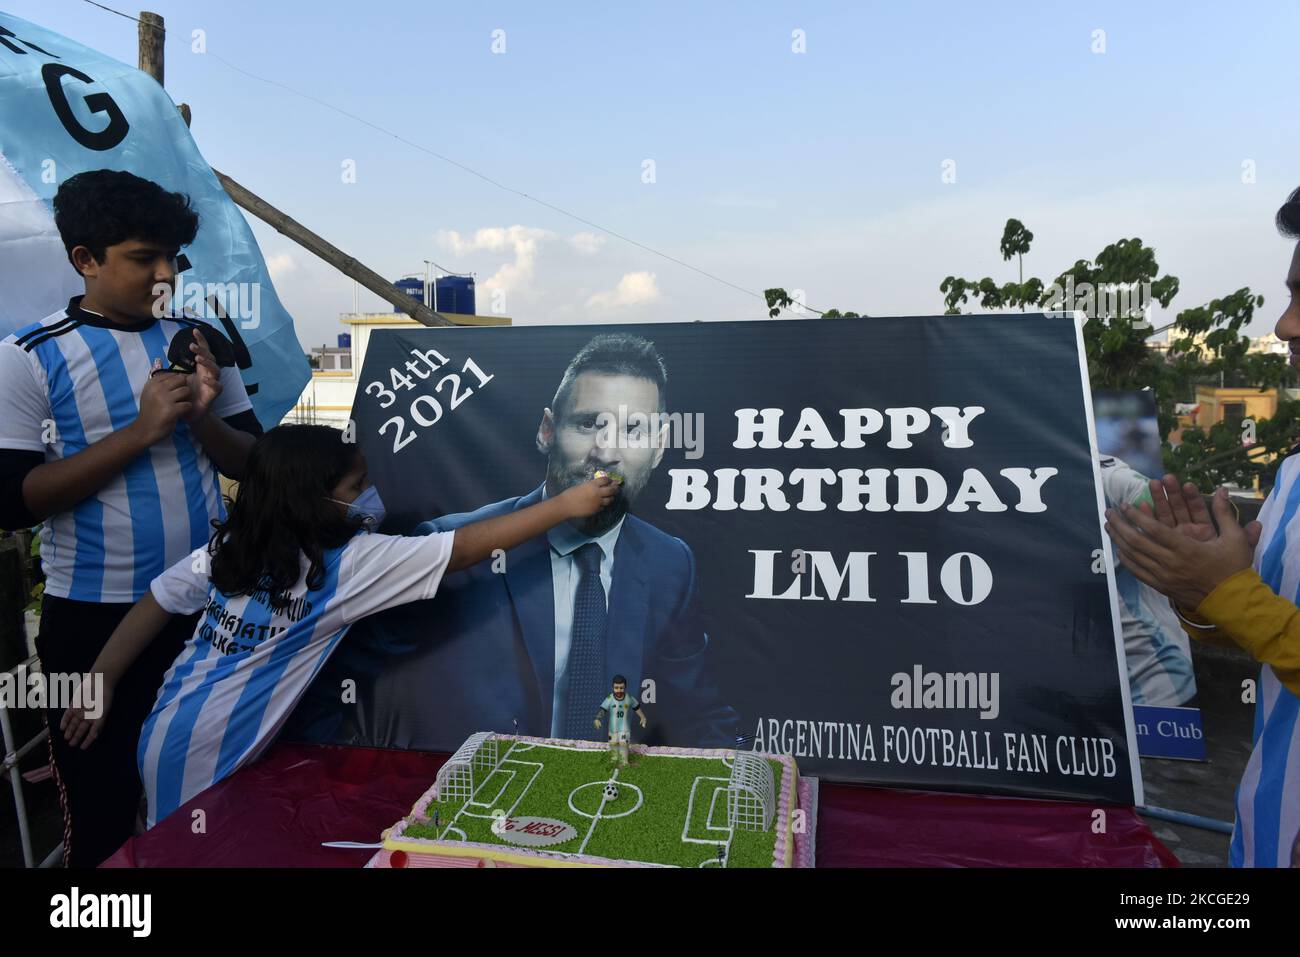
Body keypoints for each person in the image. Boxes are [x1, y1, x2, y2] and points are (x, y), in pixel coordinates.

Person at [59, 424, 620, 828]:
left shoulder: (236, 543)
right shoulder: (348, 565)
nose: (367, 498)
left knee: (172, 839)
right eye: (356, 488)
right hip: (210, 753)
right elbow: (464, 548)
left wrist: (101, 679)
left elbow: (156, 599)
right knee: (187, 850)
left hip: (165, 727)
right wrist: (567, 504)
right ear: (316, 499)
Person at [0, 170, 262, 866]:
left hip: (208, 609)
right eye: (143, 258)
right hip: (90, 619)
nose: (164, 275)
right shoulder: (28, 357)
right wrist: (139, 433)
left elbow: (255, 464)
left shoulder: (201, 340)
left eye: (173, 257)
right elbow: (11, 500)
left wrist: (201, 418)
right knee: (102, 812)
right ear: (84, 259)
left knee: (214, 800)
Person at [351, 333, 737, 748]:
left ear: (659, 447)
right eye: (588, 423)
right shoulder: (451, 549)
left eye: (634, 430)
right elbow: (349, 692)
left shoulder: (671, 563)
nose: (606, 452)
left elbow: (694, 713)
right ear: (547, 431)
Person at [1103, 184, 1300, 868]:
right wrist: (1196, 588)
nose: (1285, 327)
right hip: (1264, 826)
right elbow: (1249, 622)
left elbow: (1254, 611)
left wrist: (1229, 596)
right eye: (1290, 296)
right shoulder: (1295, 478)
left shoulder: (1109, 470)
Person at [594, 674, 645, 766]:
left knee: (623, 744)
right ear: (612, 687)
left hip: (624, 728)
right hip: (613, 728)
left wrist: (642, 717)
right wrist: (598, 719)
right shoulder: (609, 699)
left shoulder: (629, 698)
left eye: (621, 688)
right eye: (616, 687)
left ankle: (624, 761)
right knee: (613, 744)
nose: (619, 690)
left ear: (625, 687)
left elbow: (636, 707)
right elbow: (603, 710)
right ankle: (614, 759)